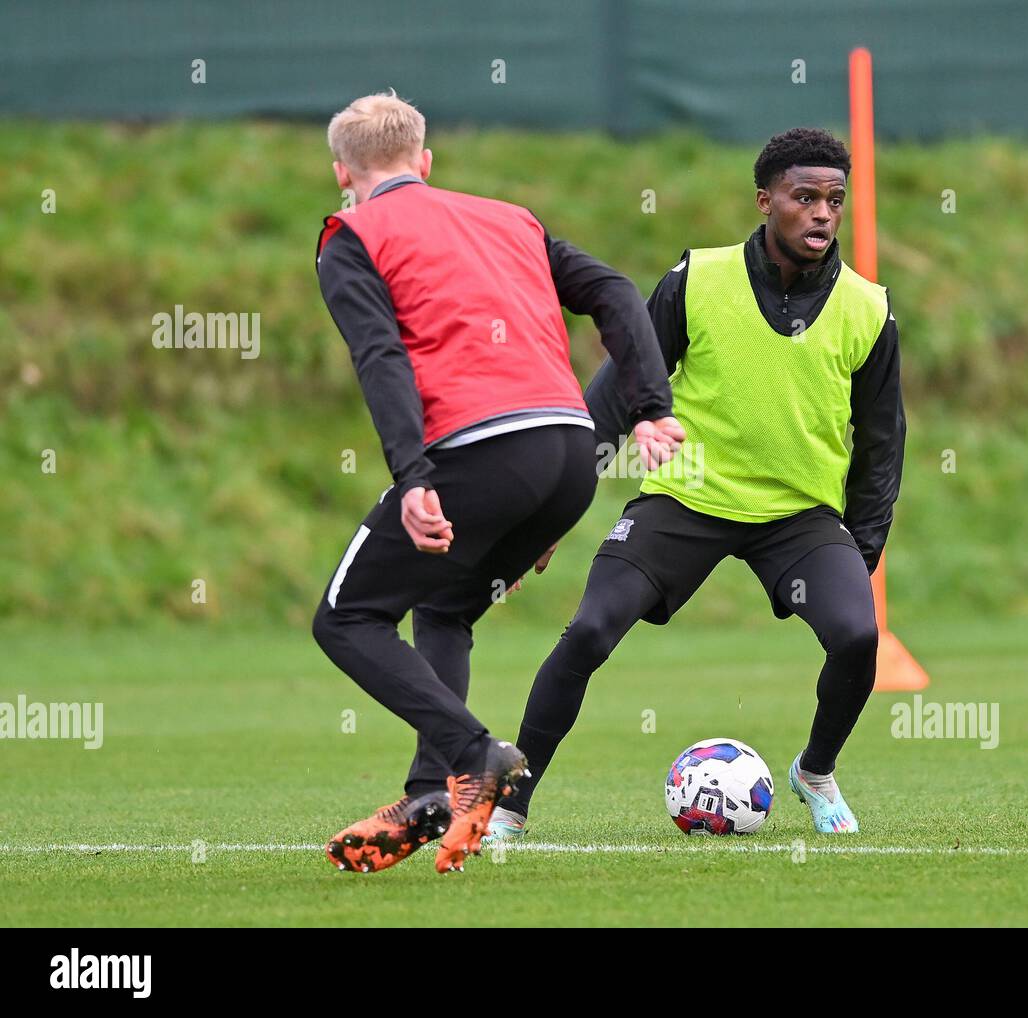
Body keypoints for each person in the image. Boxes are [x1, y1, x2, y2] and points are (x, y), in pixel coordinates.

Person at [490, 127, 905, 840]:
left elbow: (882, 442)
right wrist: (551, 511)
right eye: (804, 198)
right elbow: (621, 393)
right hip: (688, 499)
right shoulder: (698, 280)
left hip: (798, 515)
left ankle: (815, 771)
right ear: (765, 200)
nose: (822, 214)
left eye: (835, 200)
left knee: (857, 633)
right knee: (589, 629)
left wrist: (860, 549)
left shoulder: (868, 308)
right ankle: (510, 803)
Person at [311, 92, 683, 873]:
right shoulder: (510, 218)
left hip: (477, 455)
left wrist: (412, 476)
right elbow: (615, 291)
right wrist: (648, 408)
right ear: (426, 162)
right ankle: (433, 791)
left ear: (343, 172)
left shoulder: (351, 235)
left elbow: (380, 358)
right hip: (569, 452)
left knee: (346, 619)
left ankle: (478, 755)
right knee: (443, 606)